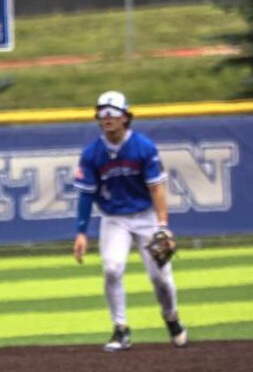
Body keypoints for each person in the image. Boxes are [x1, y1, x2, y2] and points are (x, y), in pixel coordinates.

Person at [72, 91, 187, 351]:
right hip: (114, 219)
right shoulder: (92, 153)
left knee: (161, 279)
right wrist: (81, 232)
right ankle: (120, 329)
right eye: (102, 112)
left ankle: (172, 318)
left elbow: (156, 188)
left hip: (146, 216)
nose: (107, 117)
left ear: (125, 117)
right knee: (112, 269)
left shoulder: (143, 147)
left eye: (113, 112)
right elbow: (86, 194)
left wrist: (162, 226)